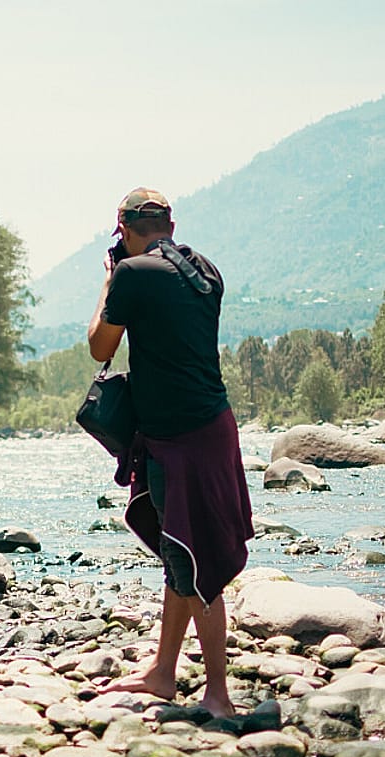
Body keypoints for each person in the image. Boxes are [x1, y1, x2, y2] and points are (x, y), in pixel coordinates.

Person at [87, 187, 254, 718]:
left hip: (181, 438)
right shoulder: (205, 270)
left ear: (126, 231)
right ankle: (162, 673)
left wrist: (110, 278)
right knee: (178, 555)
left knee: (195, 560)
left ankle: (219, 696)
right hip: (209, 428)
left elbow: (100, 346)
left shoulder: (132, 276)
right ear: (170, 226)